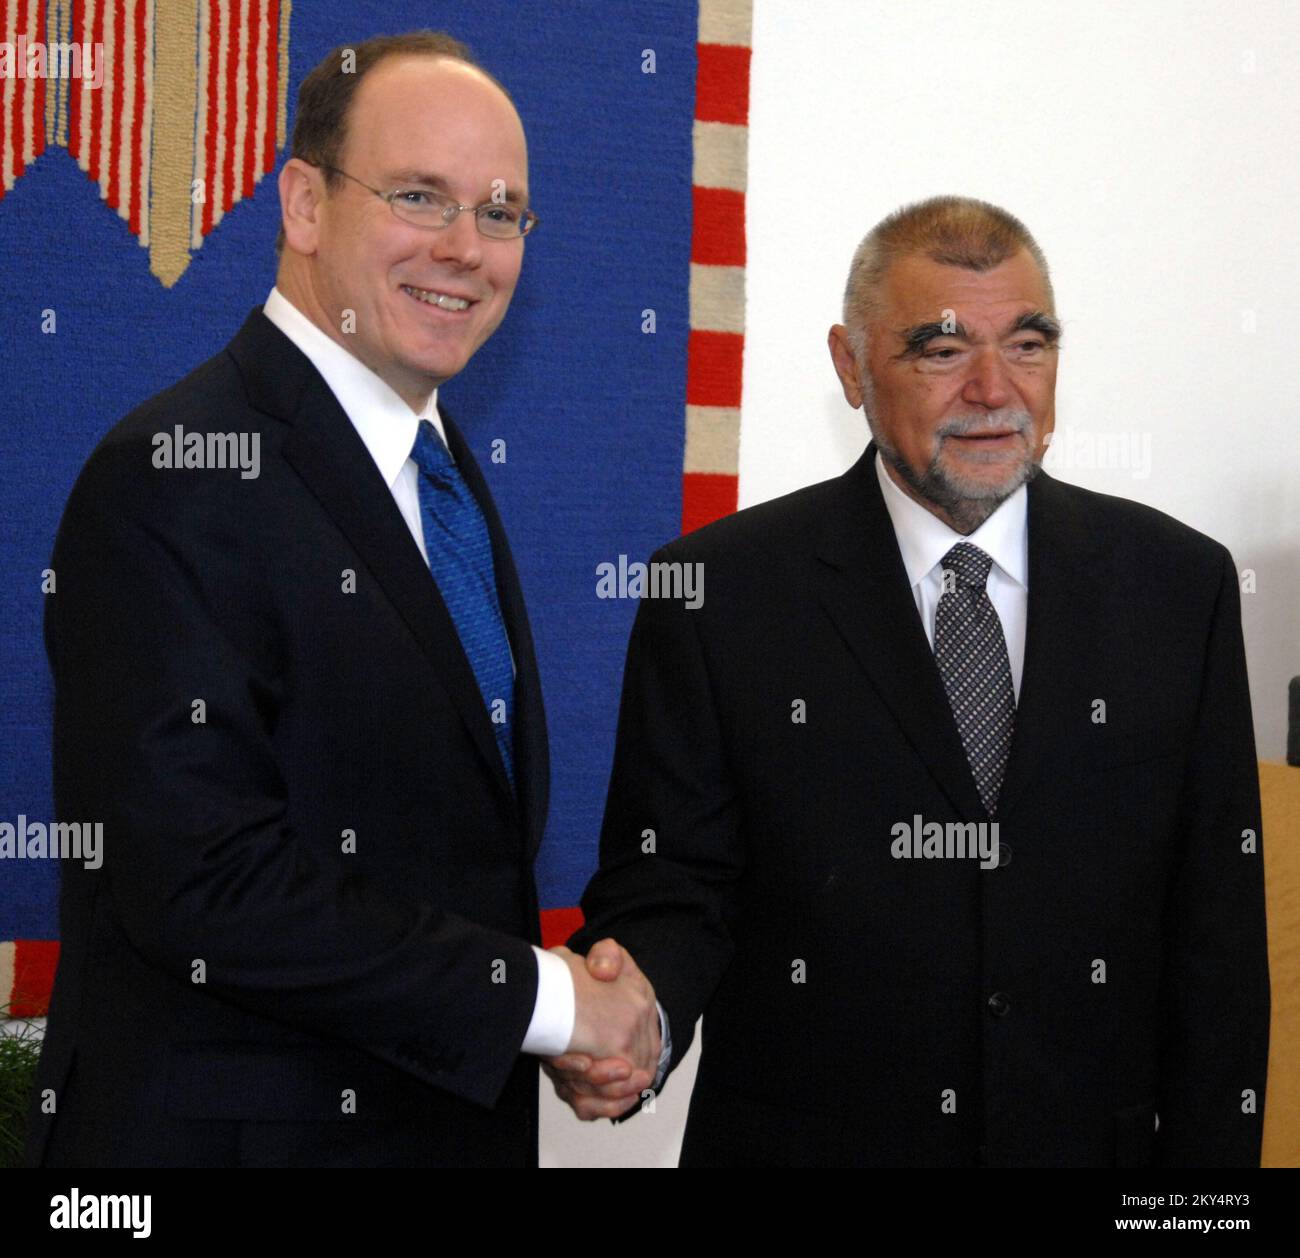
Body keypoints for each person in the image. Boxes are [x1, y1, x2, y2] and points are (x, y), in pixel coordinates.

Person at [25, 30, 658, 1169]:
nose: (467, 249)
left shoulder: (440, 471)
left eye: (502, 212)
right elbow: (203, 879)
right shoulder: (172, 474)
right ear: (304, 205)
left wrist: (534, 1011)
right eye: (420, 196)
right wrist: (545, 1001)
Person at [546, 196, 1271, 1167]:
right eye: (939, 349)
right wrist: (631, 1017)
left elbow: (1215, 954)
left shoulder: (1176, 588)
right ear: (850, 366)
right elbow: (674, 888)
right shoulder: (715, 595)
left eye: (1026, 343)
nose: (990, 389)